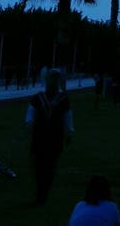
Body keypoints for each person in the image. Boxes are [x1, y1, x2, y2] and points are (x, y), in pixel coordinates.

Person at [25, 67, 73, 203]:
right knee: (38, 165)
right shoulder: (38, 97)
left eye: (57, 78)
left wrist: (69, 131)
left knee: (51, 165)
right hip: (39, 136)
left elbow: (68, 116)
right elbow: (30, 112)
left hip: (55, 137)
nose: (55, 81)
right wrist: (29, 123)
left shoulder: (63, 98)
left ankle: (44, 191)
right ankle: (40, 191)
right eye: (52, 77)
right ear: (47, 80)